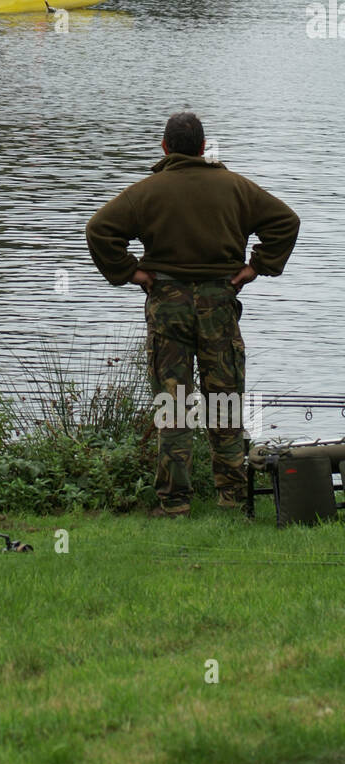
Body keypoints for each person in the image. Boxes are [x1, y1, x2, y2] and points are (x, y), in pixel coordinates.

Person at [85, 111, 300, 519]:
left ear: (164, 147)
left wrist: (131, 272)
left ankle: (174, 502)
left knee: (175, 403)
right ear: (203, 148)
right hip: (220, 305)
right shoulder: (236, 187)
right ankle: (233, 498)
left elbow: (99, 229)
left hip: (168, 308)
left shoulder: (147, 191)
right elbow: (285, 221)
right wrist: (257, 266)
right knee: (225, 400)